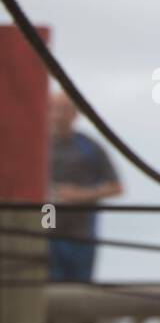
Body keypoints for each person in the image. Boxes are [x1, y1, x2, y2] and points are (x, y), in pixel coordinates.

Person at [47, 92, 122, 282]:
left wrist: (79, 195)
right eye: (54, 109)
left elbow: (116, 187)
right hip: (47, 223)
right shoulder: (36, 145)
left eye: (64, 109)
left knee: (78, 288)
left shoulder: (89, 147)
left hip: (81, 232)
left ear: (75, 113)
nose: (58, 115)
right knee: (45, 284)